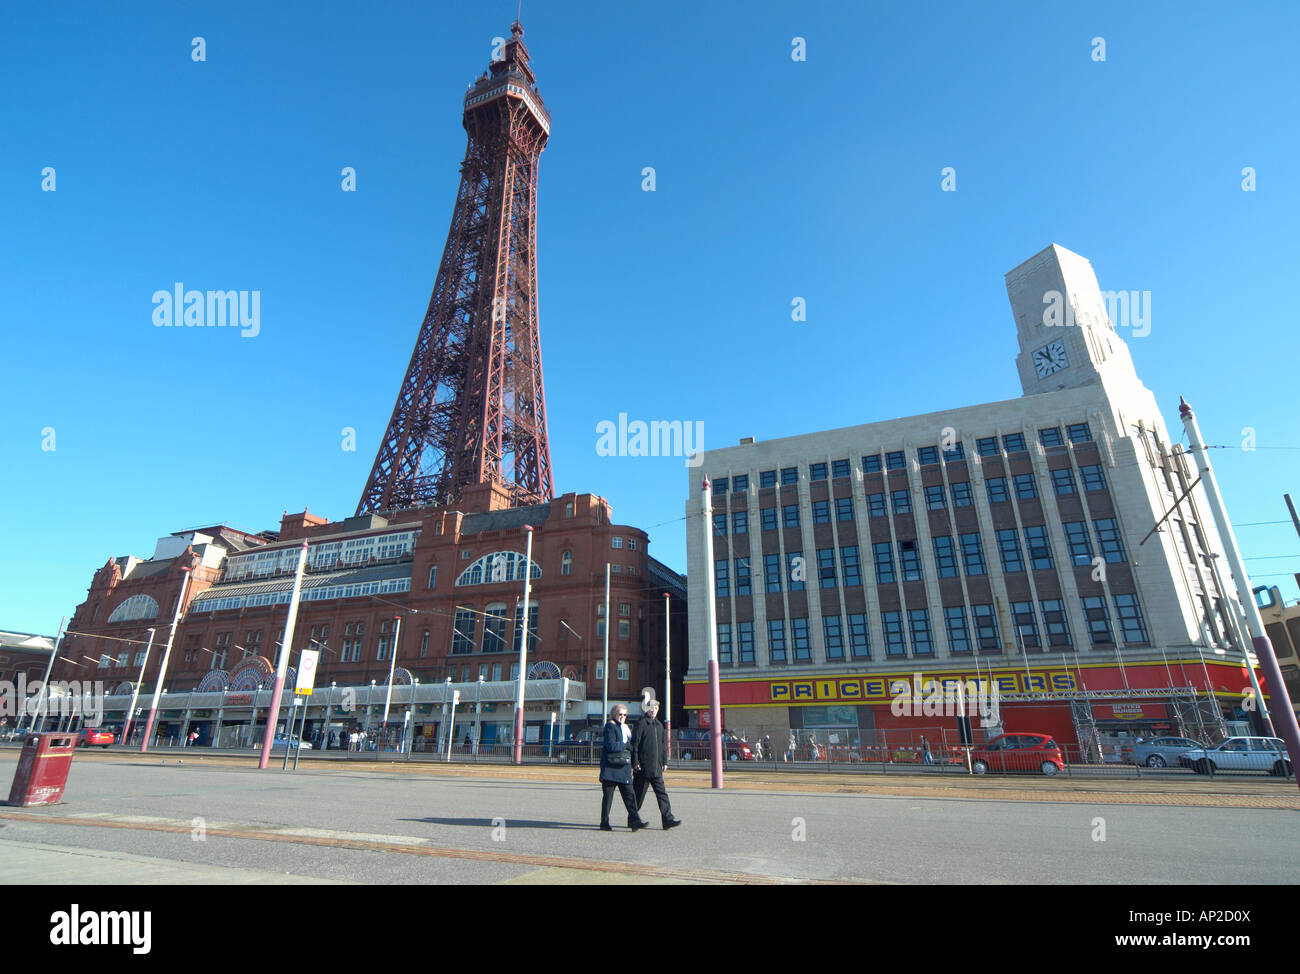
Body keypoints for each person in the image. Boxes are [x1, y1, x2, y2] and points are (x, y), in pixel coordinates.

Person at [629, 699, 682, 830]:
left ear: (658, 710)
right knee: (638, 795)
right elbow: (634, 745)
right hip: (643, 768)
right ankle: (633, 820)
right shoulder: (641, 724)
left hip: (657, 768)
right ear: (646, 709)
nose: (653, 710)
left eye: (655, 708)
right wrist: (635, 762)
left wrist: (664, 761)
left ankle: (667, 819)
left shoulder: (659, 725)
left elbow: (663, 746)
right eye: (651, 708)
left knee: (662, 795)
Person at [599, 704, 649, 832]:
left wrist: (633, 755)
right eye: (619, 714)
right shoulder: (610, 727)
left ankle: (635, 821)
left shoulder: (625, 728)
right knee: (608, 798)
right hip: (611, 768)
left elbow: (630, 747)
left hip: (624, 768)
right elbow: (611, 746)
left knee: (630, 796)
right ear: (614, 714)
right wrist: (625, 745)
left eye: (625, 715)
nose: (622, 717)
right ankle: (604, 823)